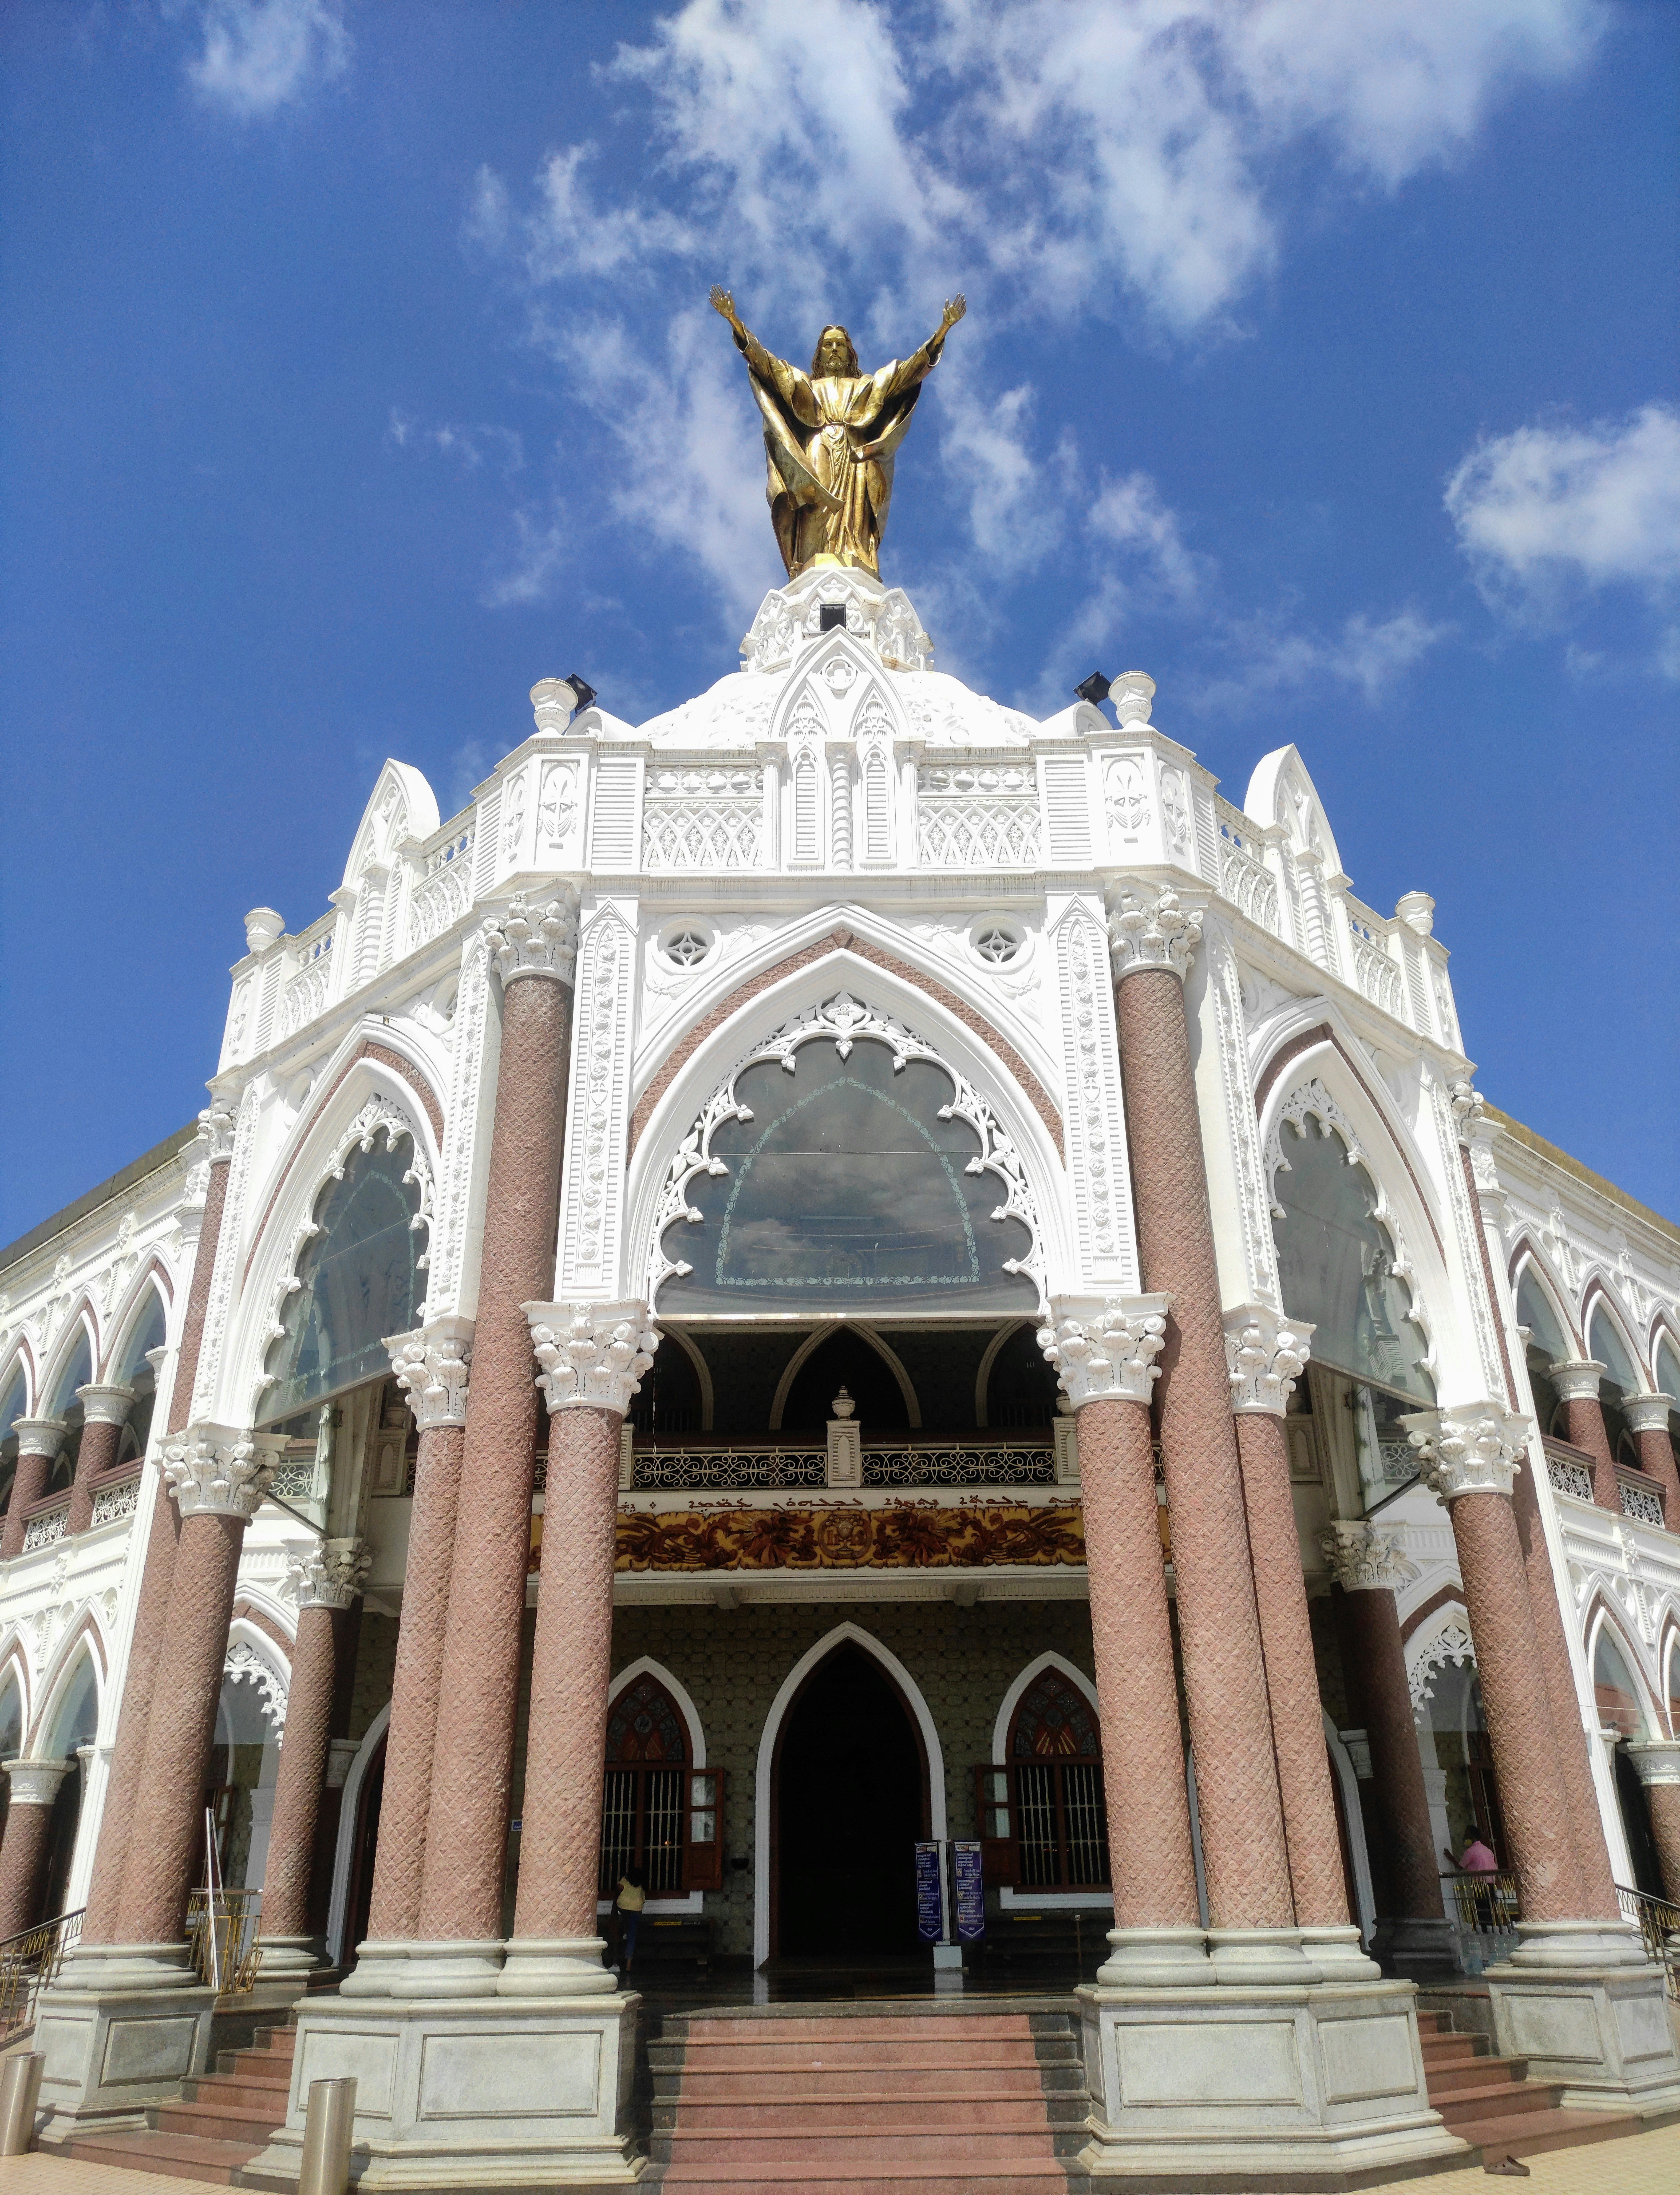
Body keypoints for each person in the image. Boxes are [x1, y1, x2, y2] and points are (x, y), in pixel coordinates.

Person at [710, 286, 965, 579]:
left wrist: (942, 330)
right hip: (819, 445)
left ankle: (857, 558)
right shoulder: (807, 386)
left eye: (840, 345)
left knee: (856, 517)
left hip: (856, 452)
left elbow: (906, 373)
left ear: (849, 353)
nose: (834, 350)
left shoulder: (867, 386)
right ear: (819, 354)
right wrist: (735, 321)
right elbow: (767, 366)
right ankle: (809, 562)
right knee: (817, 504)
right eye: (828, 345)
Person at [614, 1863, 647, 1974]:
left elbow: (618, 1890)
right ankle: (629, 1965)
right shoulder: (641, 1886)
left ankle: (624, 1931)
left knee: (623, 1918)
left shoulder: (624, 1880)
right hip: (637, 1909)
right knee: (632, 1936)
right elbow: (643, 1900)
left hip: (624, 1907)